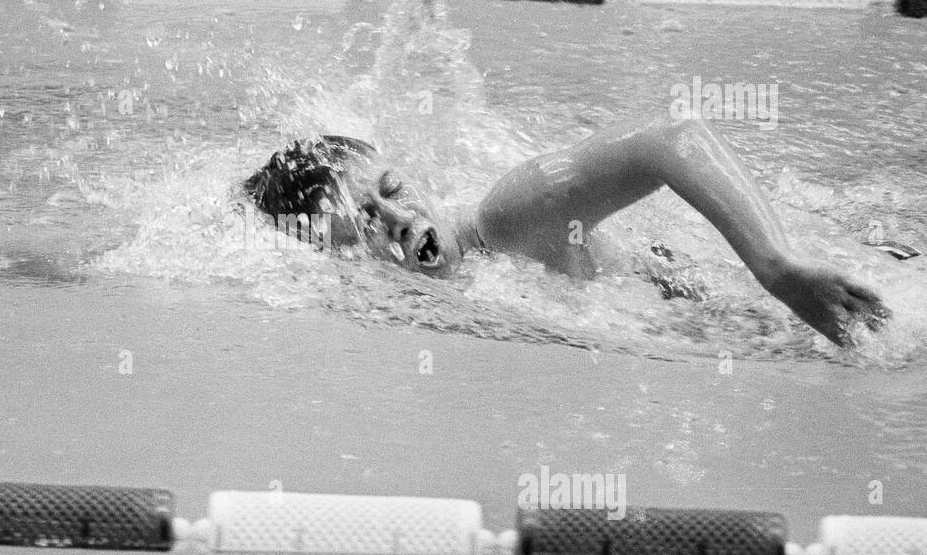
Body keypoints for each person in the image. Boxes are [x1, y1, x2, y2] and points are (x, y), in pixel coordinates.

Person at [242, 115, 889, 347]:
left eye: (390, 190)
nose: (401, 219)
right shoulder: (467, 281)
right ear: (338, 259)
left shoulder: (505, 218)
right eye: (367, 223)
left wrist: (775, 269)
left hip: (803, 309)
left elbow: (674, 136)